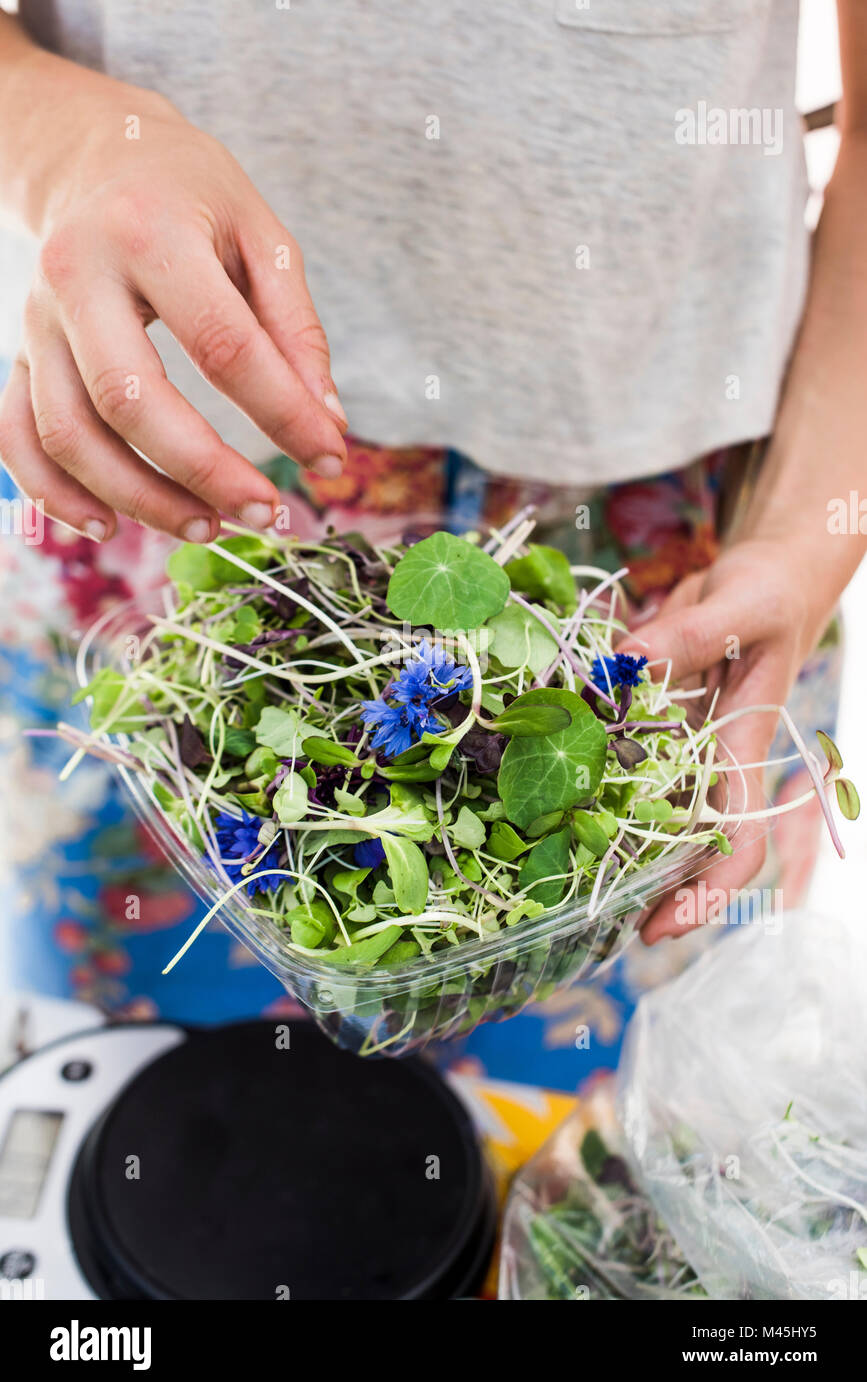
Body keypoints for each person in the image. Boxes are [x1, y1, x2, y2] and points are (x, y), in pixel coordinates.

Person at [0, 3, 863, 1087]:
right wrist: (72, 145)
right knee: (151, 1132)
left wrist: (805, 531)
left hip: (646, 607)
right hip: (174, 505)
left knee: (584, 1174)